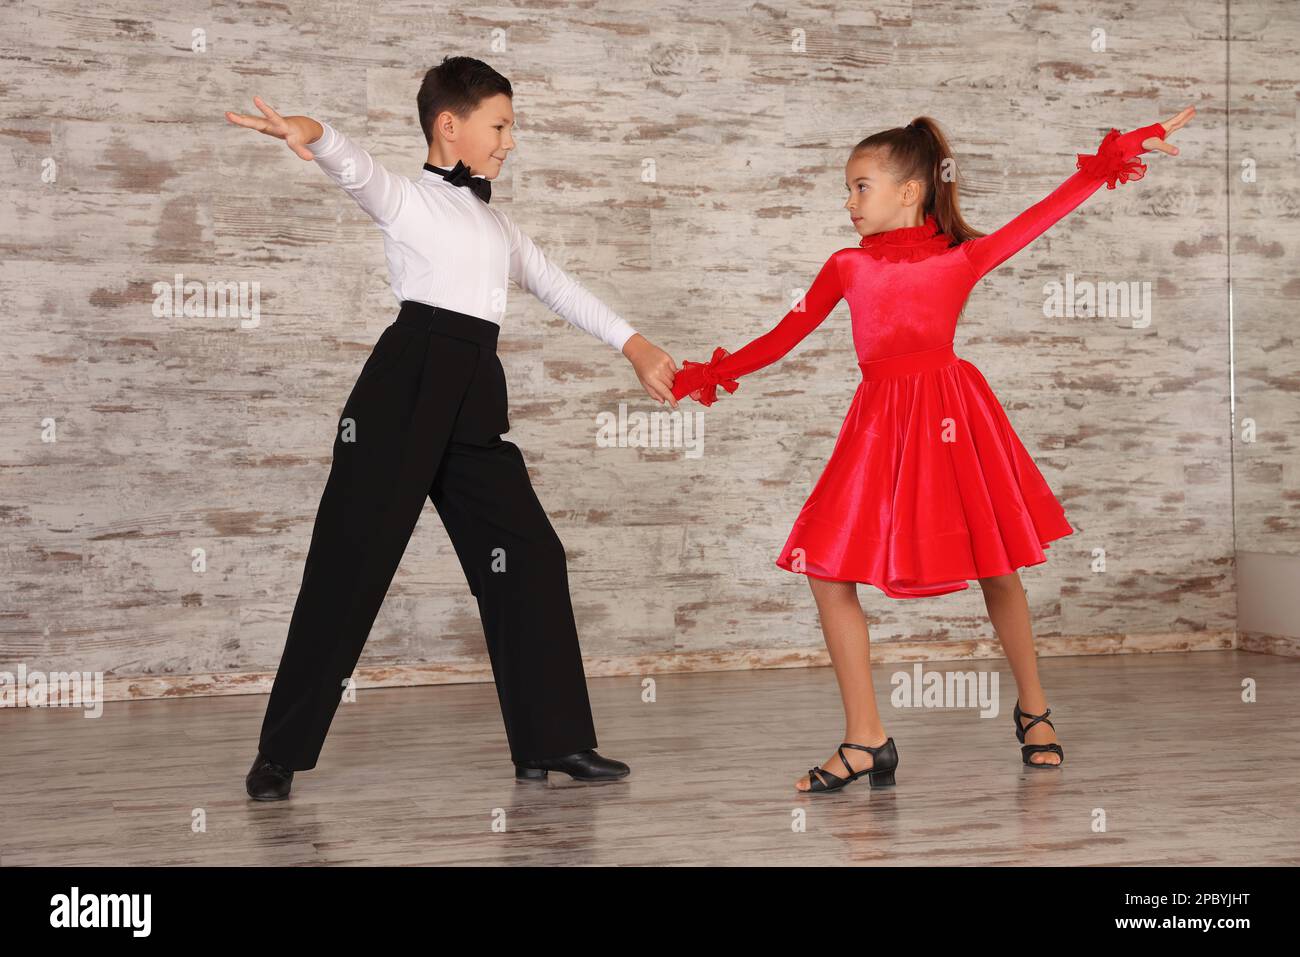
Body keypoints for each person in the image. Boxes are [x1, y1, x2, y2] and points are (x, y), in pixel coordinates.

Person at [672, 107, 1195, 792]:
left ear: (910, 191)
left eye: (861, 187)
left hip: (953, 415)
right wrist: (699, 377)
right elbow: (782, 335)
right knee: (824, 565)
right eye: (848, 189)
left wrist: (1112, 158)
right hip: (878, 427)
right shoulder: (846, 266)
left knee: (996, 561)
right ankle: (866, 738)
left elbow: (1040, 216)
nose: (849, 201)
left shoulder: (960, 258)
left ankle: (1034, 710)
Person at [226, 56, 680, 799]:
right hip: (403, 390)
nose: (510, 141)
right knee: (349, 565)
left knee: (529, 556)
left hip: (473, 395)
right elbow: (351, 163)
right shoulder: (407, 200)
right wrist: (306, 130)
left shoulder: (497, 224)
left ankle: (553, 742)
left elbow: (558, 286)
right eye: (500, 126)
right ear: (449, 125)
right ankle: (280, 753)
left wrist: (634, 345)